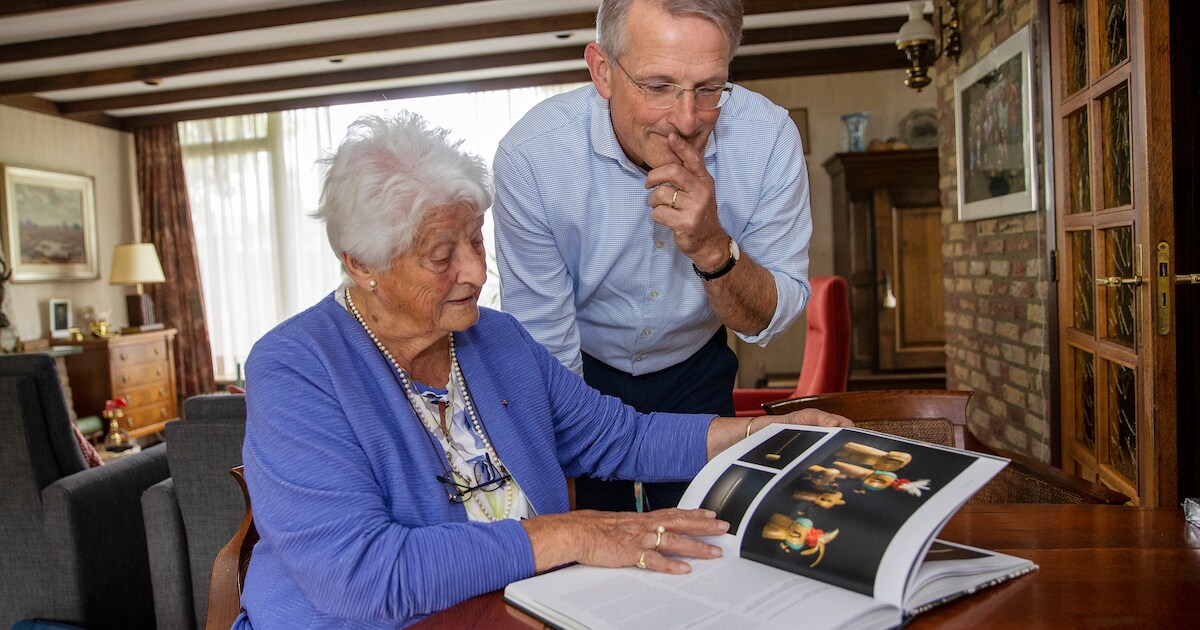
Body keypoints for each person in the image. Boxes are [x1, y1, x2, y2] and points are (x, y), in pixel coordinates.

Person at [233, 112, 848, 628]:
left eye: (477, 241)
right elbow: (363, 578)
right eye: (442, 256)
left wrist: (760, 435)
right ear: (360, 263)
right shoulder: (297, 368)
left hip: (524, 613)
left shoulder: (495, 340)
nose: (475, 272)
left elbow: (621, 438)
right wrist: (574, 534)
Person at [493, 0, 813, 512]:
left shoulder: (769, 140)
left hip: (695, 366)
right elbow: (545, 342)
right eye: (658, 87)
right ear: (601, 70)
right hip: (580, 371)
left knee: (711, 543)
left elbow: (769, 322)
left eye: (710, 89)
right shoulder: (531, 155)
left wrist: (713, 247)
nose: (686, 121)